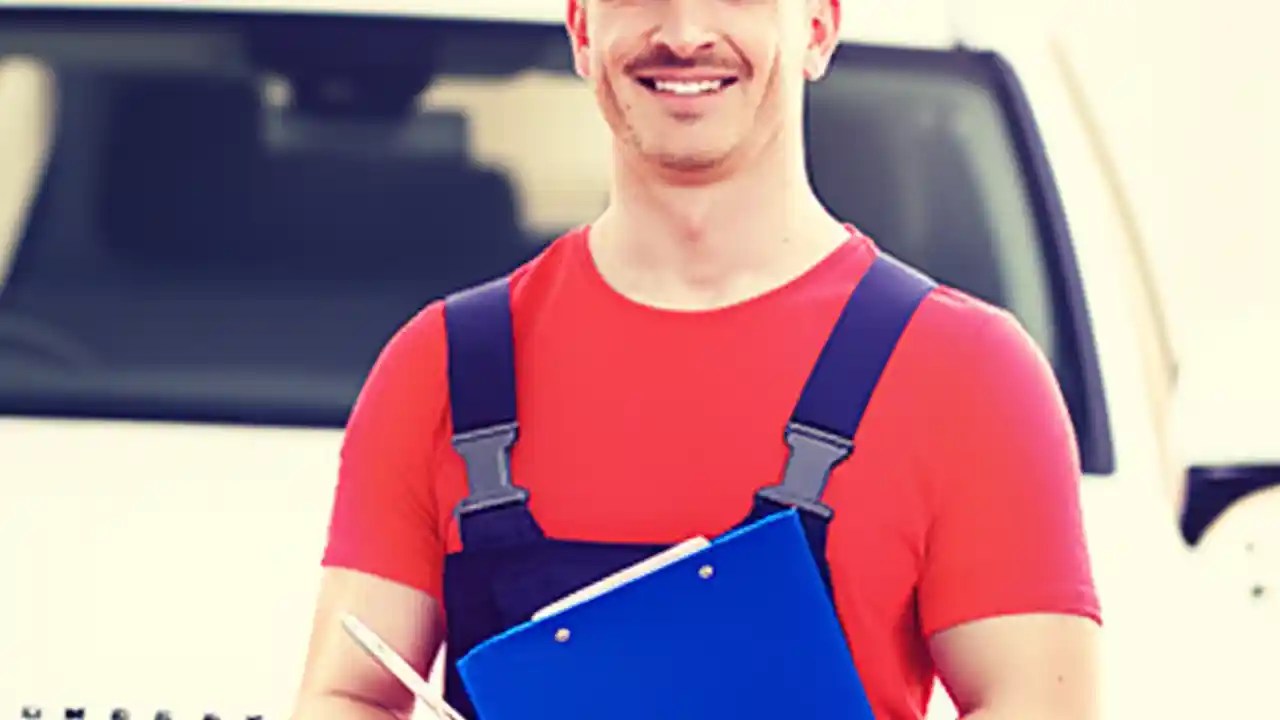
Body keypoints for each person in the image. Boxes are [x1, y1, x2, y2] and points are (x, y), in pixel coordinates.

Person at [293, 0, 1102, 718]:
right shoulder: (439, 369)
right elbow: (349, 695)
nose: (682, 31)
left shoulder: (968, 375)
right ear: (581, 27)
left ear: (819, 25)